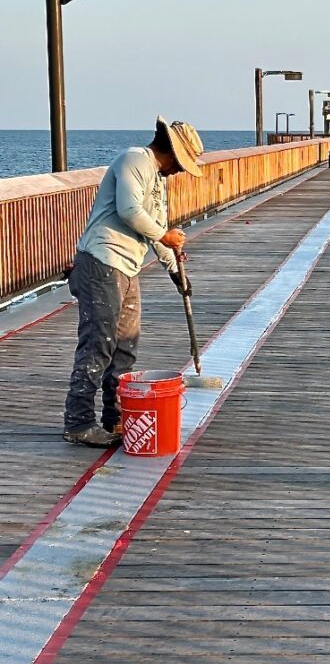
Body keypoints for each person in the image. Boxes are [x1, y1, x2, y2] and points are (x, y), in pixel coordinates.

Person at [63, 117, 203, 447]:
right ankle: (79, 421)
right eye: (181, 163)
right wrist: (164, 235)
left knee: (125, 346)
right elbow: (129, 211)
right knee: (99, 343)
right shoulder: (135, 159)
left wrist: (173, 270)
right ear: (169, 151)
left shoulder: (157, 179)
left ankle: (114, 420)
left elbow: (157, 229)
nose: (181, 171)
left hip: (127, 267)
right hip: (101, 261)